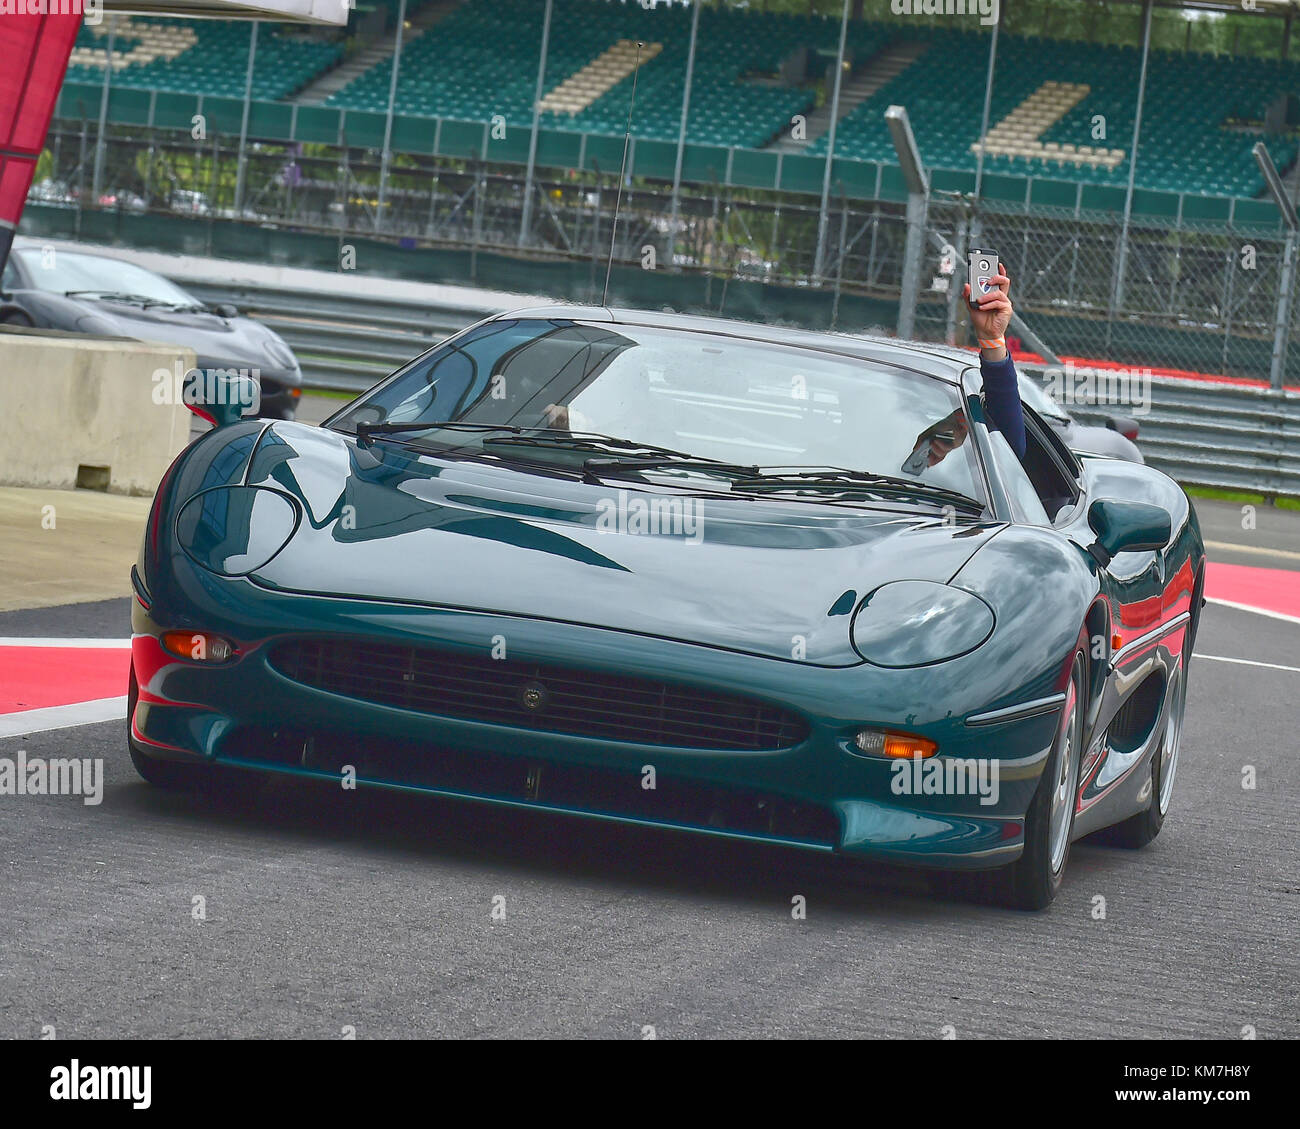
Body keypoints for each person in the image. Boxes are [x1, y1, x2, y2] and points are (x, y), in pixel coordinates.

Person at [911, 261, 1026, 467]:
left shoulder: (980, 469)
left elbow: (1010, 448)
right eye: (962, 425)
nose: (959, 427)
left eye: (962, 423)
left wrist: (993, 339)